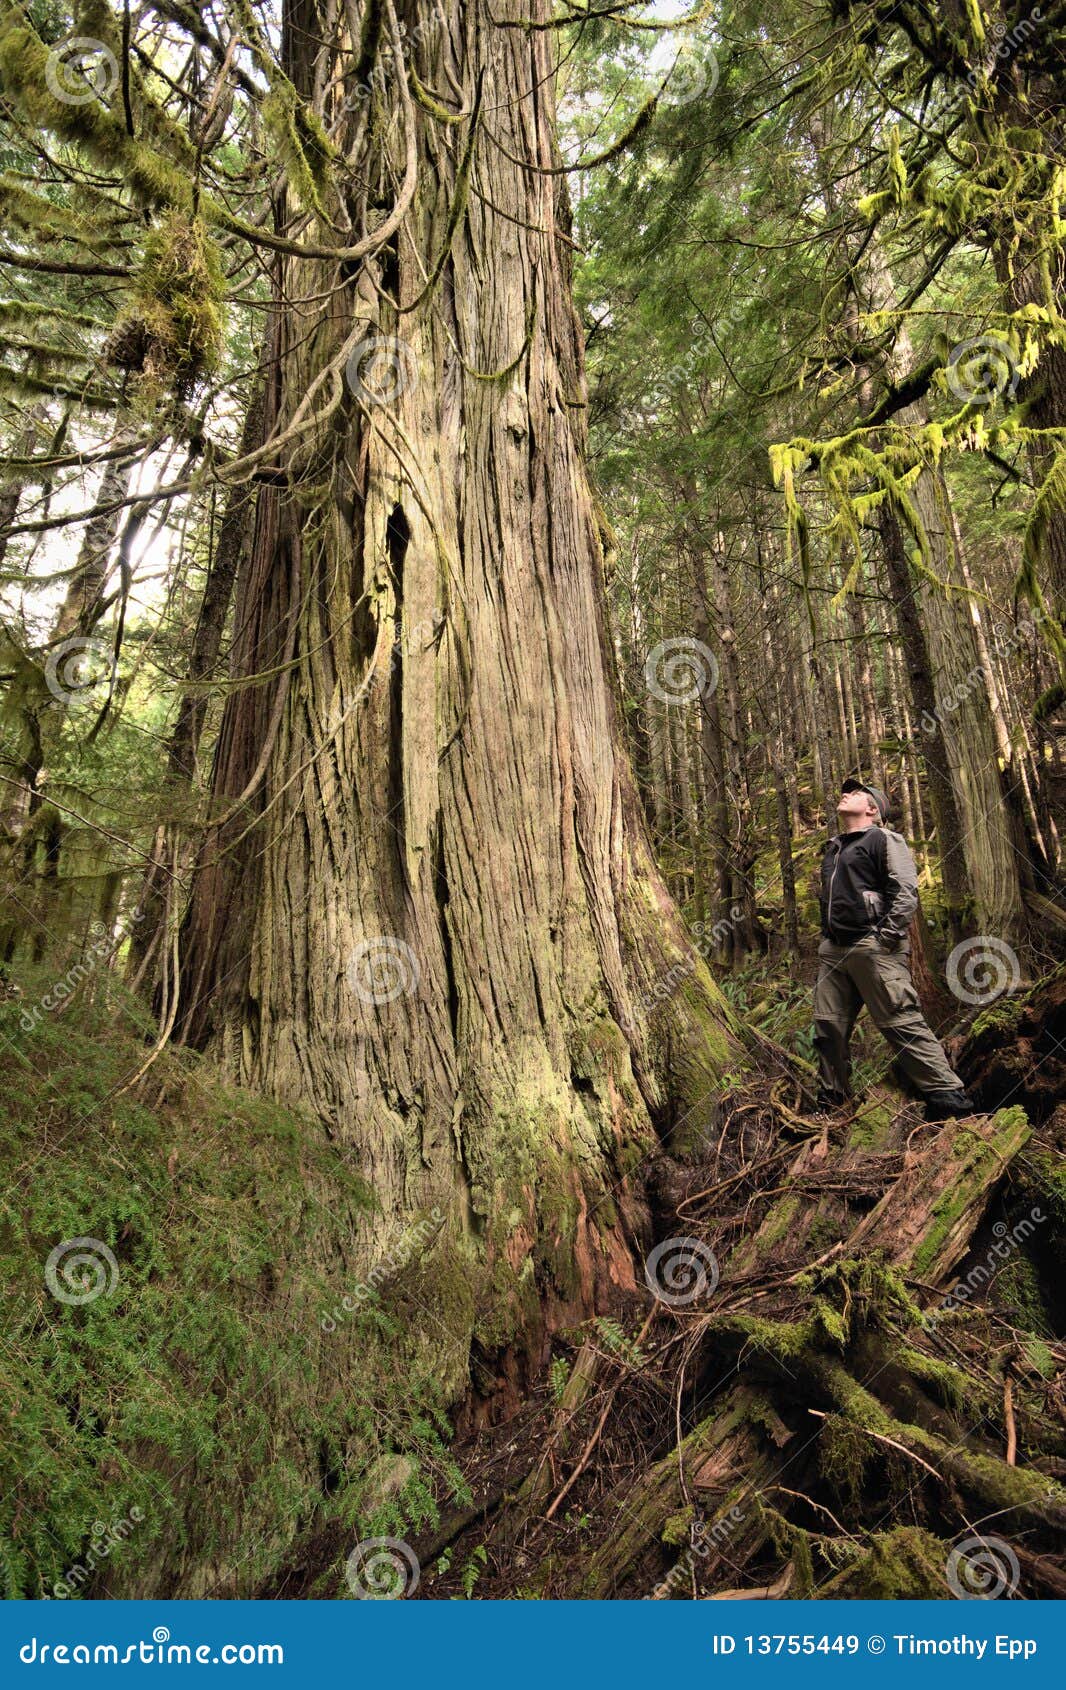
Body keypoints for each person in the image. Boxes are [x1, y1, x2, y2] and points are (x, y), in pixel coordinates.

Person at [813, 779, 974, 1121]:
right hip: (834, 951)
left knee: (900, 1020)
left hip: (873, 947)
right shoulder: (834, 847)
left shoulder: (884, 839)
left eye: (856, 793)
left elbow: (905, 891)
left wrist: (883, 938)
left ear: (873, 809)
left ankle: (949, 1100)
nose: (845, 794)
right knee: (828, 1027)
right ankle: (832, 1102)